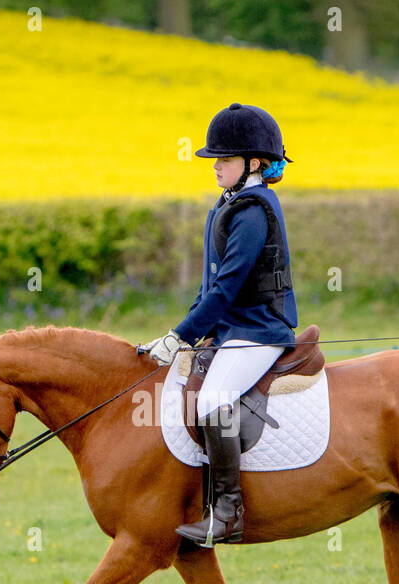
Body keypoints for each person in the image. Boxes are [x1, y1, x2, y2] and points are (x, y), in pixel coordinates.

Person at [142, 103, 298, 547]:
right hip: (234, 330)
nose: (215, 168)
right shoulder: (229, 204)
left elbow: (228, 288)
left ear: (253, 163)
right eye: (214, 161)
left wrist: (182, 336)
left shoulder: (252, 210)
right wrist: (179, 333)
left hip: (259, 331)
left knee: (212, 400)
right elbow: (210, 284)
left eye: (224, 160)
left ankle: (228, 513)